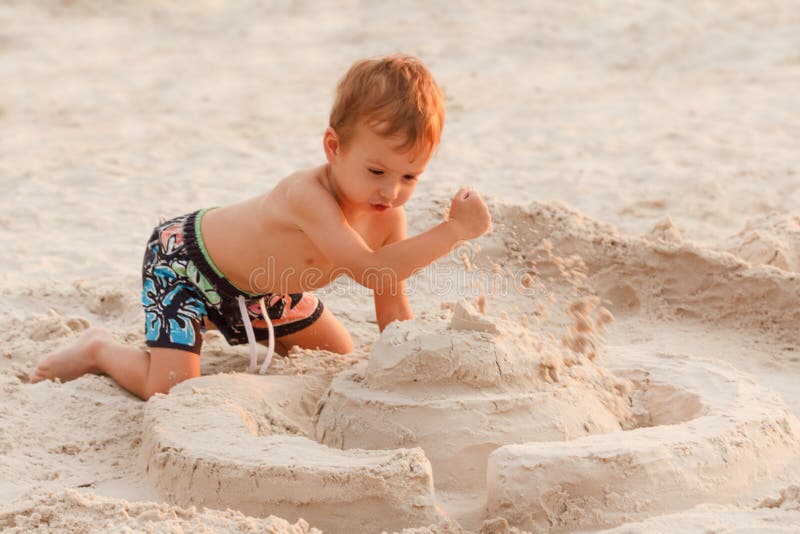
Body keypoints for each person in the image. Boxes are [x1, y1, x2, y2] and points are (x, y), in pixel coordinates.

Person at [30, 54, 492, 400]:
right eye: (376, 172)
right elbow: (370, 270)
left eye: (409, 177)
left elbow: (390, 294)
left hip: (262, 292)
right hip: (187, 265)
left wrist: (403, 359)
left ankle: (212, 326)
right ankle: (100, 350)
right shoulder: (306, 195)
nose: (391, 192)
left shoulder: (388, 216)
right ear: (334, 147)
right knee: (169, 390)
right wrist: (453, 230)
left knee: (336, 346)